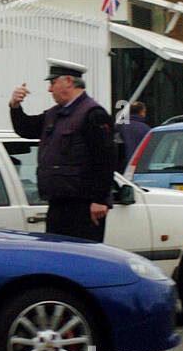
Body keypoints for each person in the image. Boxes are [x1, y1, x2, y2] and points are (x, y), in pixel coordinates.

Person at [9, 59, 116, 241]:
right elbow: (26, 129)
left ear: (68, 81)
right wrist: (15, 106)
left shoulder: (93, 114)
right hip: (59, 202)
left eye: (52, 83)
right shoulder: (55, 114)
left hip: (84, 204)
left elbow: (105, 159)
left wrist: (99, 199)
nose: (50, 89)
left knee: (82, 260)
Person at [118, 101, 151, 169]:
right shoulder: (145, 129)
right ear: (142, 112)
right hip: (138, 165)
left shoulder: (120, 127)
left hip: (122, 166)